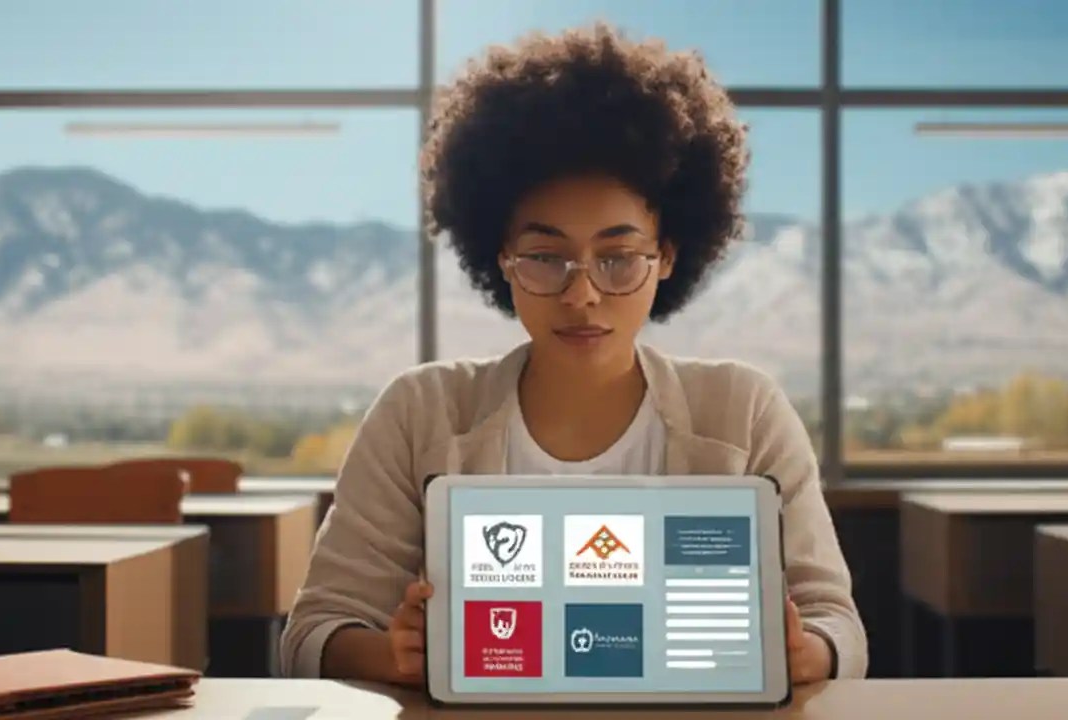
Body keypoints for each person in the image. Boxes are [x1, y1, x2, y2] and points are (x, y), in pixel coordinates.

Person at [280, 23, 868, 685]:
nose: (582, 294)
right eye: (545, 258)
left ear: (667, 255)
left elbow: (836, 621)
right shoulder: (420, 412)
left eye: (618, 258)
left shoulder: (744, 410)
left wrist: (806, 651)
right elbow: (311, 634)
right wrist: (389, 654)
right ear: (499, 258)